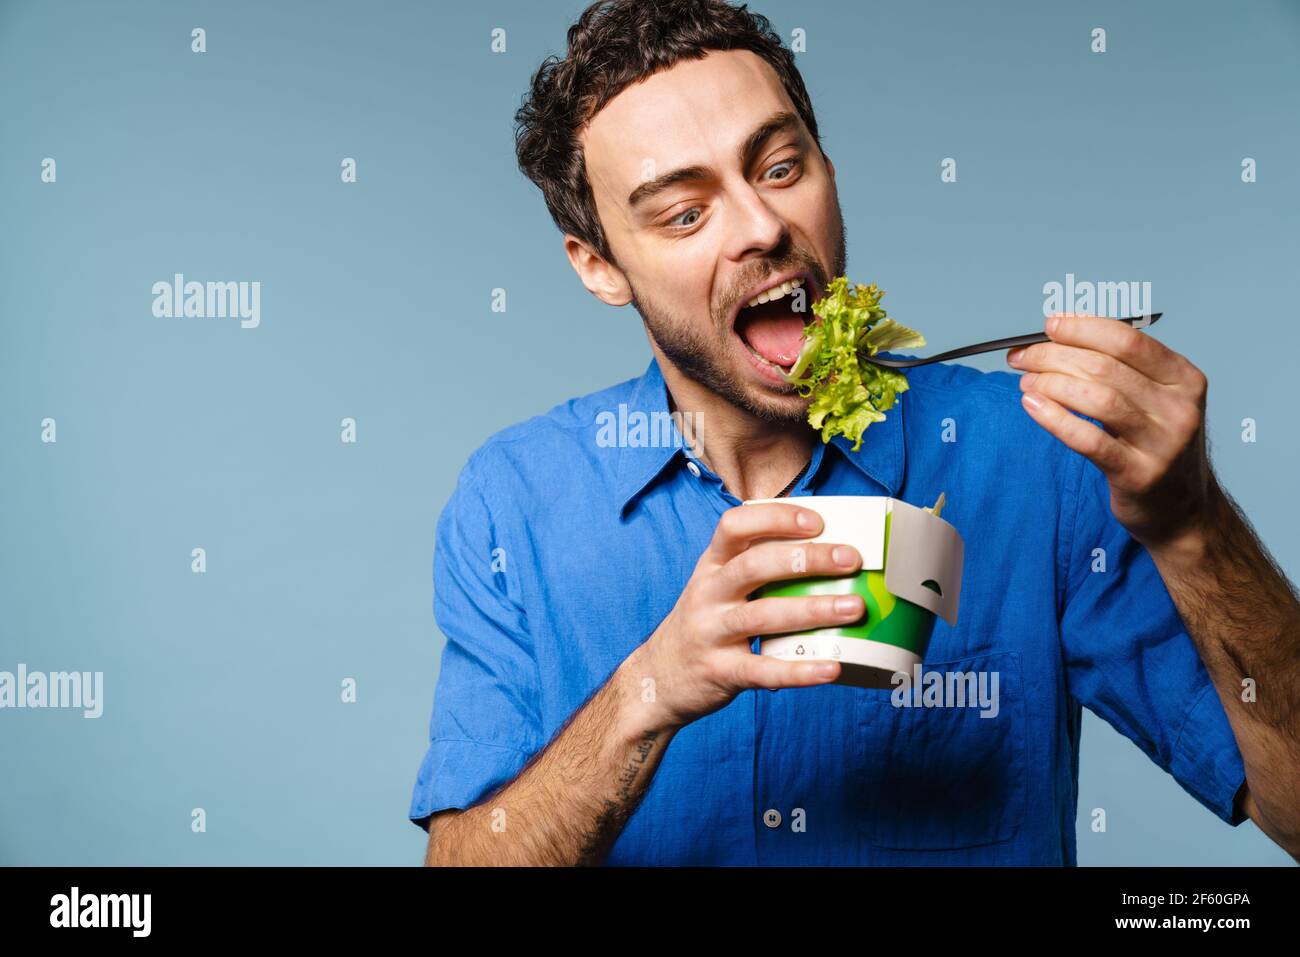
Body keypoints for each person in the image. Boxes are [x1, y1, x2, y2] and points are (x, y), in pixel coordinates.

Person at [409, 0, 1300, 865]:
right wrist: (651, 690)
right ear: (600, 265)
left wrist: (1193, 525)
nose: (762, 226)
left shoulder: (1036, 460)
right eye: (685, 212)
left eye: (780, 167)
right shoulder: (514, 505)